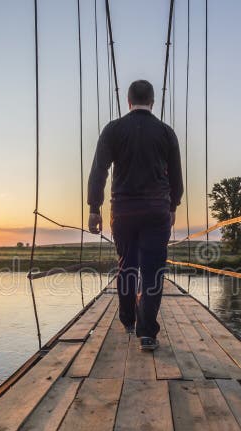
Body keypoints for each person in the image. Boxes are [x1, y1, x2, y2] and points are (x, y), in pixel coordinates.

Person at [87, 79, 183, 351]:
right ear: (153, 102)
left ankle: (128, 319)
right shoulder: (166, 133)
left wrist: (95, 208)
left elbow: (99, 171)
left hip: (124, 211)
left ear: (128, 102)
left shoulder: (113, 130)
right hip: (156, 210)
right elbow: (176, 177)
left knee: (127, 265)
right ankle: (147, 333)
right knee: (153, 271)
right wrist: (173, 206)